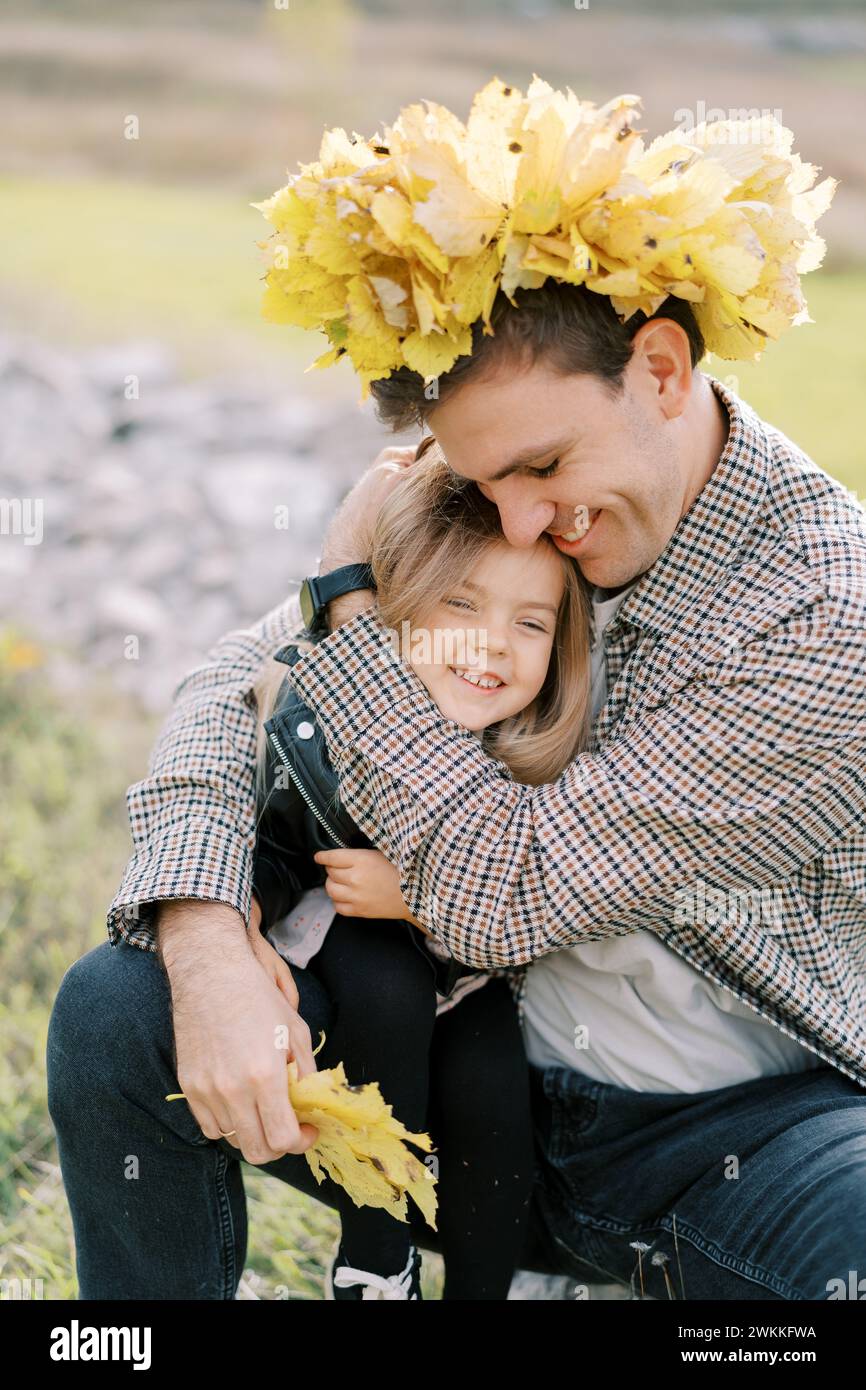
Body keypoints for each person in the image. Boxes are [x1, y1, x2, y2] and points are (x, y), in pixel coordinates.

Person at [47, 81, 866, 1301]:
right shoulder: (507, 492)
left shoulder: (821, 616)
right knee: (121, 1010)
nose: (523, 521)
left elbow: (500, 887)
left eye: (541, 467)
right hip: (463, 1093)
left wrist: (350, 600)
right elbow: (233, 683)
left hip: (759, 1140)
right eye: (488, 483)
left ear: (657, 367)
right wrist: (205, 935)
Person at [246, 436, 593, 1298]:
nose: (493, 647)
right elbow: (272, 826)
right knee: (386, 994)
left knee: (492, 1098)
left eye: (529, 623)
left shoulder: (527, 752)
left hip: (462, 968)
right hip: (345, 946)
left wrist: (422, 898)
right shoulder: (327, 714)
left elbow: (538, 888)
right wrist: (241, 925)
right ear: (396, 610)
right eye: (462, 608)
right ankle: (376, 1254)